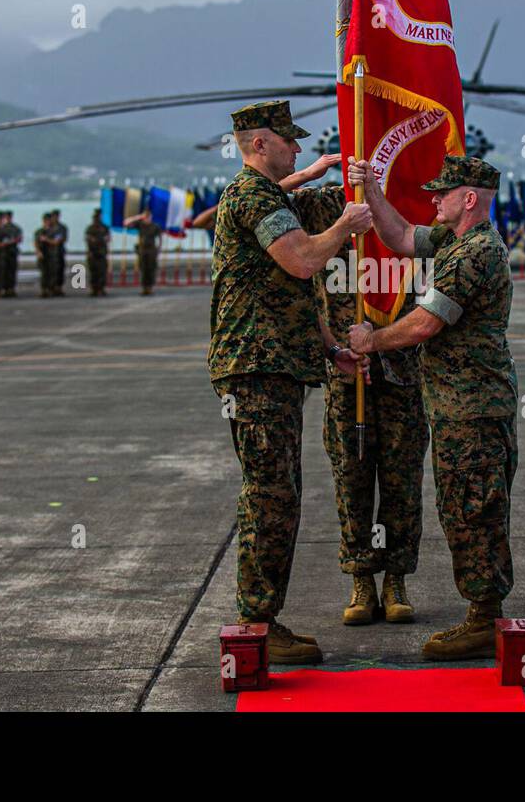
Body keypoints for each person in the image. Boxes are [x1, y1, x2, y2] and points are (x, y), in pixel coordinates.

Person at [208, 100, 372, 664]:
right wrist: (345, 225)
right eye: (288, 141)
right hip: (256, 367)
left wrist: (330, 349)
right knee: (270, 495)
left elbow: (295, 295)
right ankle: (257, 621)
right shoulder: (254, 197)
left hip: (272, 364)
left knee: (279, 492)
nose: (297, 149)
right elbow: (302, 263)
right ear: (259, 144)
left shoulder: (267, 195)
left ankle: (262, 617)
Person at [347, 154, 518, 661]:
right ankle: (482, 612)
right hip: (456, 406)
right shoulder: (455, 241)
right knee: (461, 506)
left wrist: (370, 341)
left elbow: (425, 324)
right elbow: (400, 236)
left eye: (442, 193)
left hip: (474, 409)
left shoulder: (475, 252)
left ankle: (485, 618)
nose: (432, 200)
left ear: (469, 199)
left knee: (475, 509)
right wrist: (372, 189)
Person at [281, 152, 428, 625]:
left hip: (404, 370)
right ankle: (361, 580)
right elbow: (261, 203)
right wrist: (307, 174)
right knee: (352, 479)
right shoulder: (323, 206)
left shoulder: (410, 208)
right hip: (347, 374)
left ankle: (397, 579)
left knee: (403, 482)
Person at [125, 211, 163, 294]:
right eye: (145, 217)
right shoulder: (140, 224)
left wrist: (159, 249)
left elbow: (160, 238)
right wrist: (138, 217)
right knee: (143, 269)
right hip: (142, 250)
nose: (147, 219)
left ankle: (150, 288)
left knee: (151, 269)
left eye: (148, 217)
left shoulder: (155, 226)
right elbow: (126, 223)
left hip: (151, 250)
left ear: (151, 217)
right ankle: (144, 288)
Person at [84, 211, 110, 296]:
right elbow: (88, 239)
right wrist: (99, 240)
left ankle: (101, 288)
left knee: (102, 271)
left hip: (102, 252)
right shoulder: (90, 228)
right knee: (93, 271)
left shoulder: (104, 228)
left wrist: (98, 240)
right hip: (92, 252)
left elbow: (107, 238)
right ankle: (94, 288)